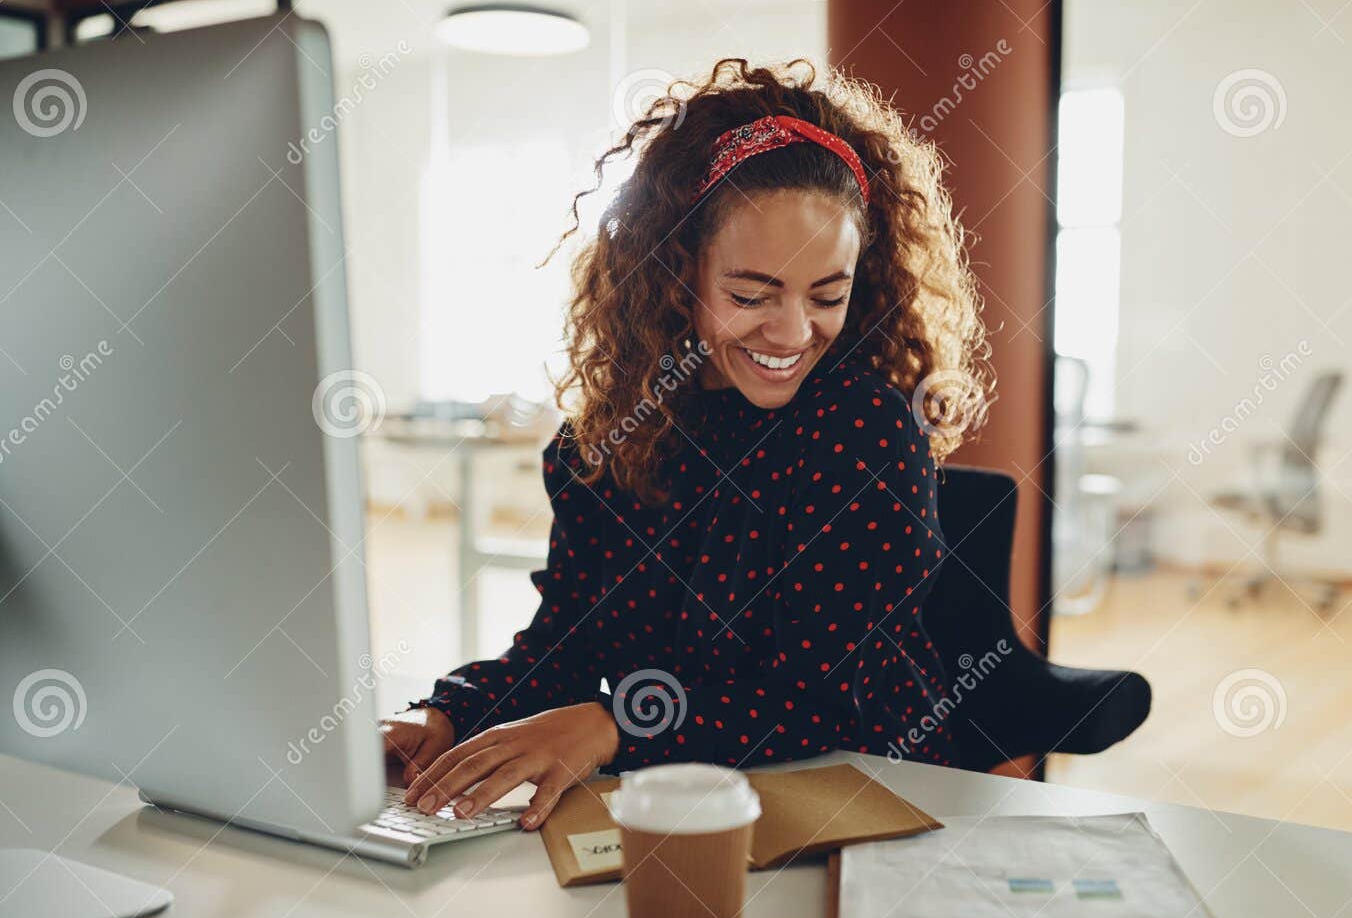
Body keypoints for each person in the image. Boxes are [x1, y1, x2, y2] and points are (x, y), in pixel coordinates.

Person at [383, 59, 994, 830]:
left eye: (827, 295)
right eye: (750, 294)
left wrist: (614, 727)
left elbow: (827, 702)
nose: (793, 332)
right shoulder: (603, 442)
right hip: (675, 802)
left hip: (858, 801)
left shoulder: (864, 429)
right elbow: (565, 647)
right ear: (678, 273)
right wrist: (448, 713)